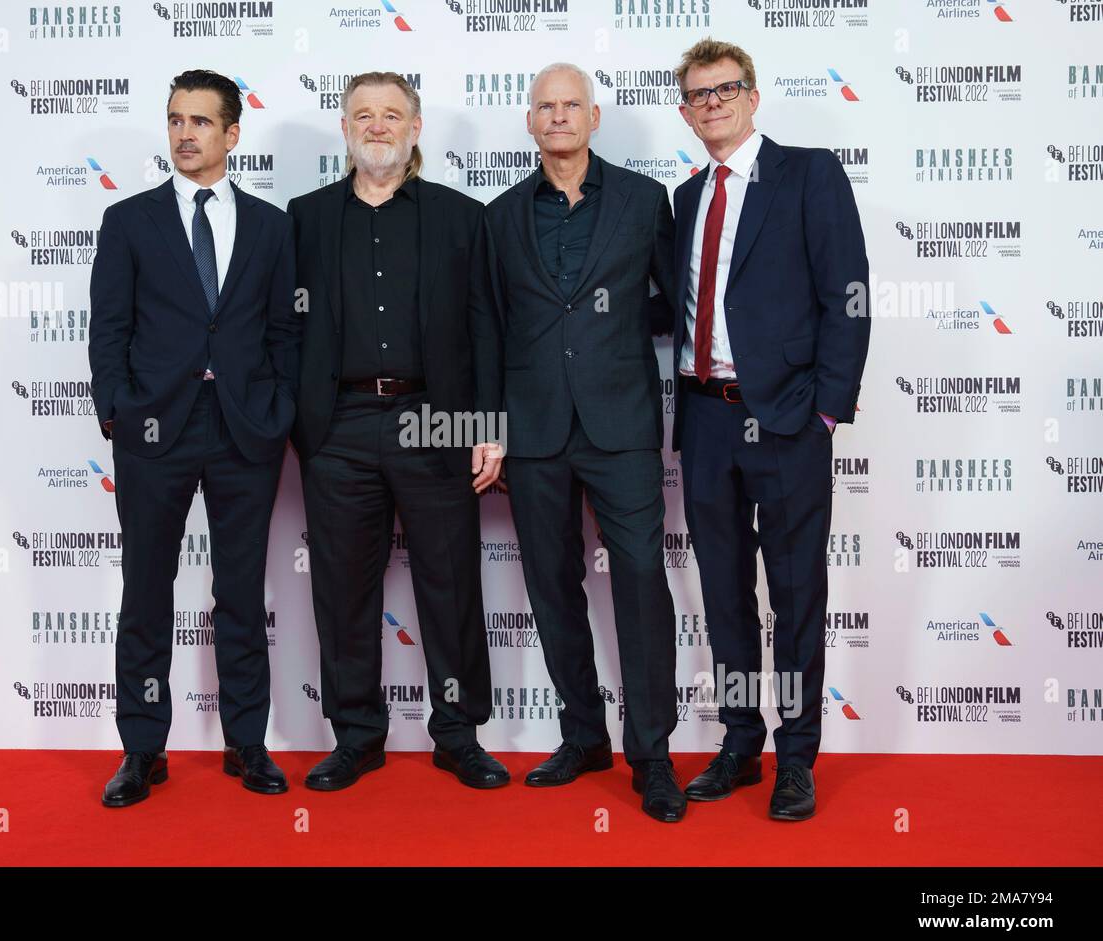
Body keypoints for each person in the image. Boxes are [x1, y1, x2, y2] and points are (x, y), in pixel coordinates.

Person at [287, 72, 509, 791]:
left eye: (391, 115)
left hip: (436, 419)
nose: (376, 126)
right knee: (343, 589)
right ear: (344, 128)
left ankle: (456, 734)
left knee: (450, 585)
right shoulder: (305, 217)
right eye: (363, 115)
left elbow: (486, 328)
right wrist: (300, 426)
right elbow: (285, 329)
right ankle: (356, 736)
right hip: (341, 423)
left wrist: (484, 425)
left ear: (416, 128)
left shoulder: (460, 216)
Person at [670, 38, 871, 821]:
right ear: (684, 112)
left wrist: (826, 408)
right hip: (704, 418)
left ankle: (797, 757)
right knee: (723, 597)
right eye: (698, 94)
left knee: (795, 597)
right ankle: (739, 744)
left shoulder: (809, 174)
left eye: (726, 88)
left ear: (753, 97)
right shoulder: (688, 199)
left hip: (786, 420)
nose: (713, 102)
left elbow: (847, 293)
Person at [89, 69, 298, 807]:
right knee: (147, 590)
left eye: (202, 122)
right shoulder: (129, 222)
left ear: (232, 134)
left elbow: (283, 329)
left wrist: (279, 409)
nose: (185, 133)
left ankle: (247, 742)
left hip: (246, 429)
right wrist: (117, 410)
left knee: (241, 590)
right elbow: (108, 328)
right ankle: (143, 749)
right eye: (176, 119)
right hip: (154, 430)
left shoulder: (274, 227)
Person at [484, 62, 684, 822]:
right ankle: (581, 735)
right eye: (546, 107)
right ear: (530, 121)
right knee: (552, 586)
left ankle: (653, 755)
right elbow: (487, 329)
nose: (559, 117)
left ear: (594, 118)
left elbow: (677, 300)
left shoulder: (641, 200)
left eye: (572, 106)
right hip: (533, 430)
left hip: (622, 425)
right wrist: (488, 431)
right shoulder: (500, 217)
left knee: (639, 581)